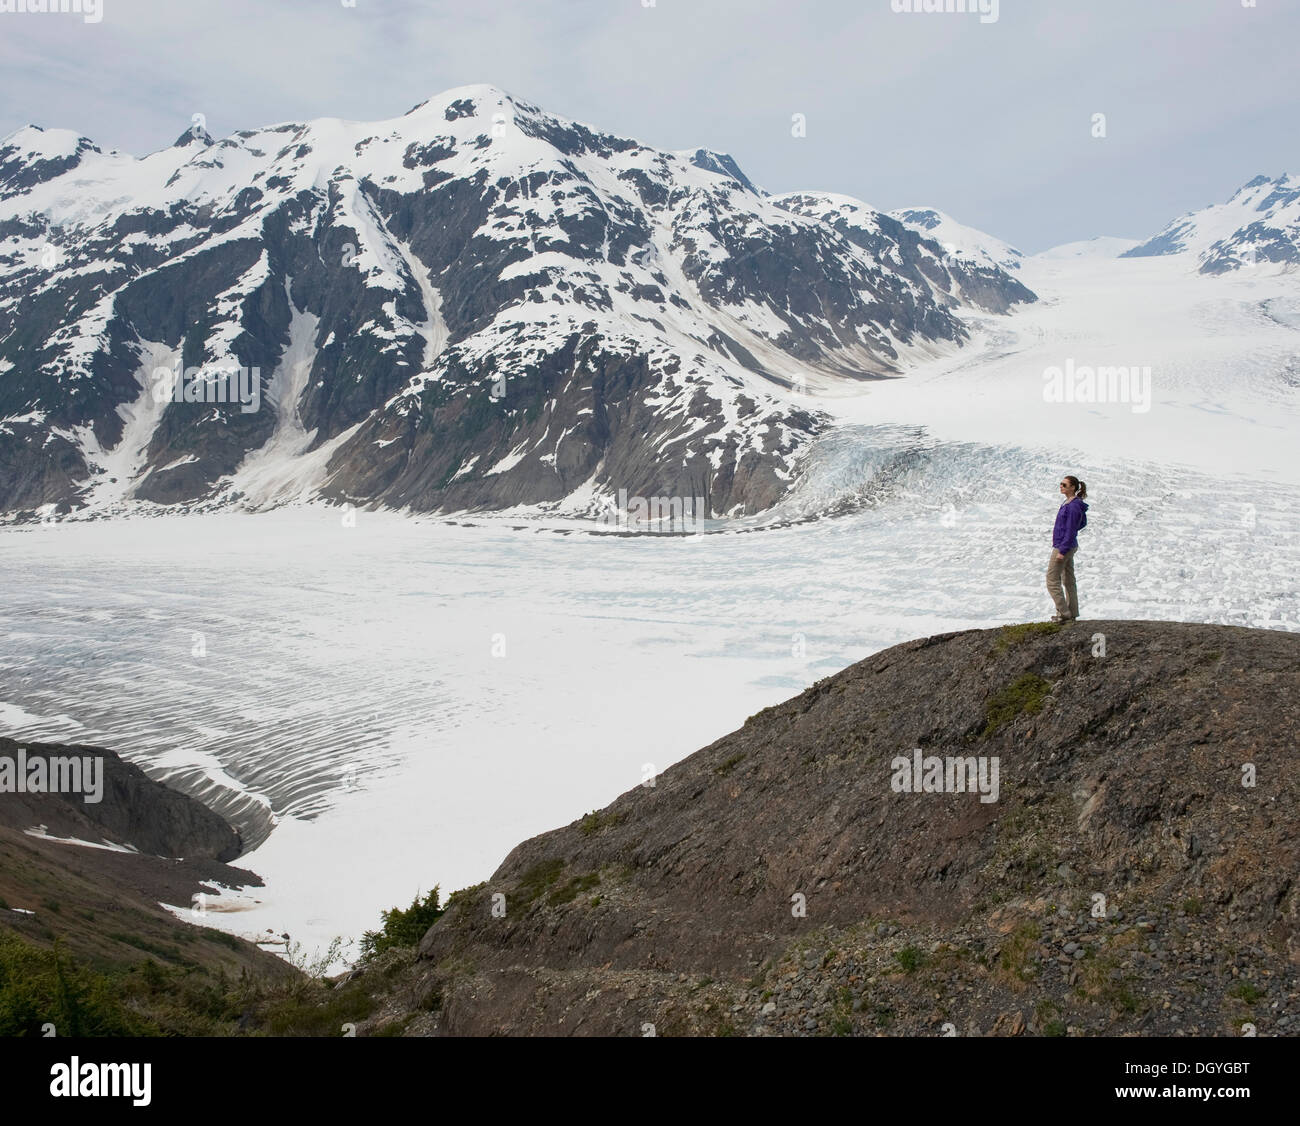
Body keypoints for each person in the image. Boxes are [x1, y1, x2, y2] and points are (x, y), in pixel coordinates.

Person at [1047, 475, 1088, 622]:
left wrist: (1062, 550)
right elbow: (1082, 523)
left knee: (1052, 580)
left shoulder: (1073, 506)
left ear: (1072, 488)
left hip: (1063, 546)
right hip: (1068, 544)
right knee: (1068, 579)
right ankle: (1072, 611)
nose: (1061, 487)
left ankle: (1064, 614)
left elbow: (1071, 528)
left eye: (1064, 485)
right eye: (1061, 484)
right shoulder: (1071, 503)